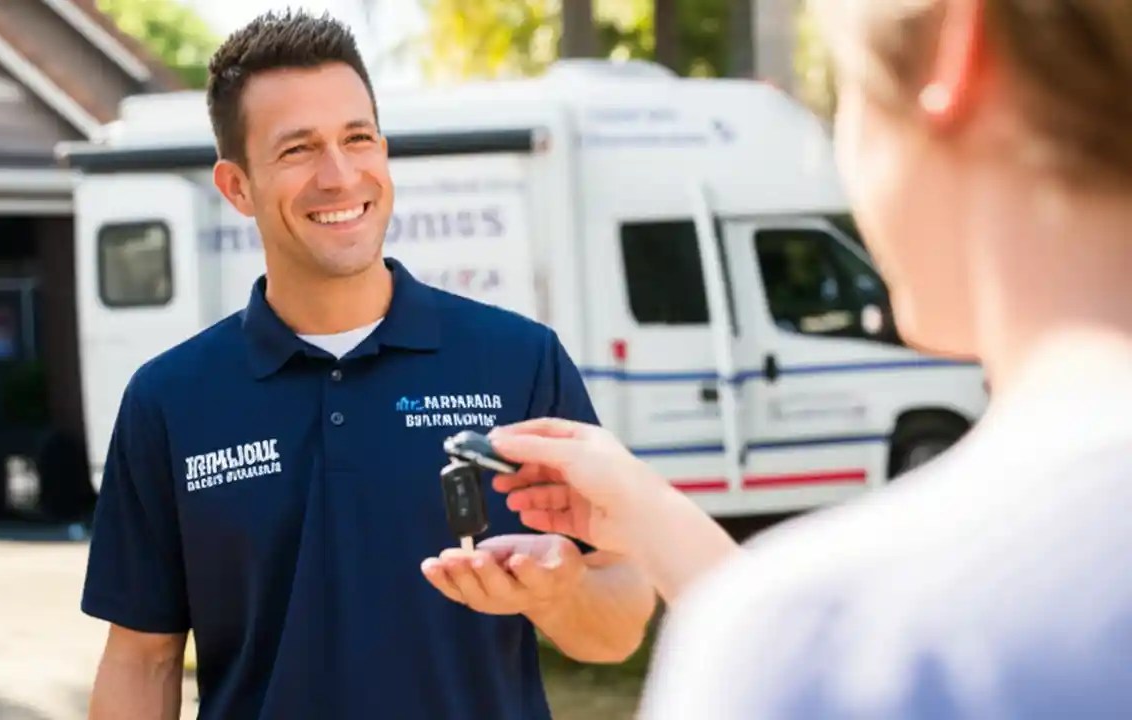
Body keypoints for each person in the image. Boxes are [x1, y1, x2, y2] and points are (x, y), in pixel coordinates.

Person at [487, 0, 1132, 716]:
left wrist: (765, 632)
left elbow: (813, 654)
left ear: (961, 50)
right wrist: (646, 513)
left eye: (845, 91)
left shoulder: (835, 646)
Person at [80, 10, 655, 720]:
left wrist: (562, 592)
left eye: (358, 139)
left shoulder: (517, 361)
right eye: (298, 150)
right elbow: (142, 657)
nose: (340, 174)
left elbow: (620, 621)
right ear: (236, 187)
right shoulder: (170, 400)